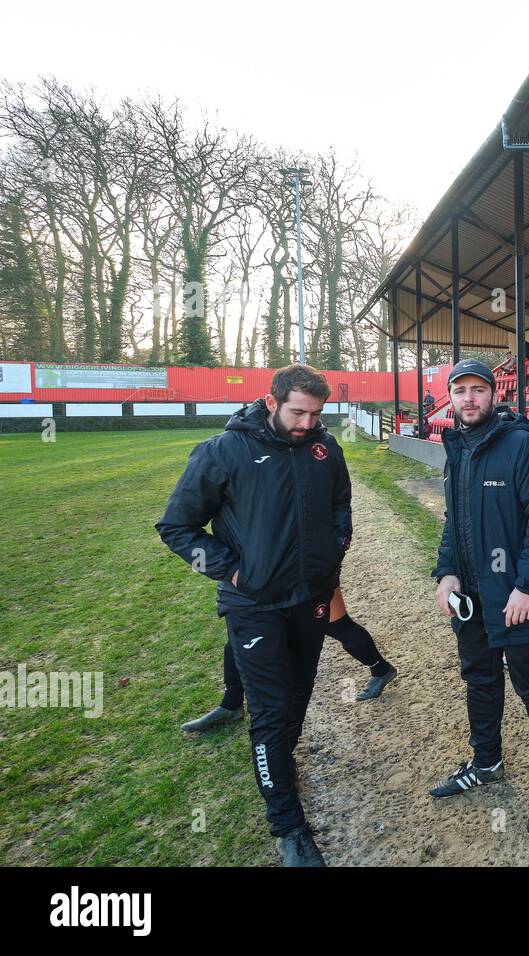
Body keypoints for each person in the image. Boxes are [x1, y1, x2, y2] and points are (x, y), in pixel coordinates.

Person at [156, 363, 351, 866]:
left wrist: (334, 551)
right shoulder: (224, 452)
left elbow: (340, 507)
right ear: (271, 402)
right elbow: (176, 527)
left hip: (310, 599)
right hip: (253, 605)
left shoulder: (325, 450)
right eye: (297, 412)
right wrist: (231, 571)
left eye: (315, 413)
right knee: (269, 710)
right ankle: (288, 827)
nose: (307, 423)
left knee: (298, 698)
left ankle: (279, 767)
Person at [429, 359, 529, 837]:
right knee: (480, 680)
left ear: (494, 395)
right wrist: (446, 572)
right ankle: (486, 761)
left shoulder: (522, 448)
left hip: (518, 599)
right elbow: (455, 520)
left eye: (478, 389)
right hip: (471, 598)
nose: (469, 398)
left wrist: (527, 586)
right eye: (460, 390)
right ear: (450, 397)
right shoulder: (457, 450)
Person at [182, 587, 396, 733]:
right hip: (265, 575)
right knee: (240, 640)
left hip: (308, 569)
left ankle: (380, 669)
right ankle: (231, 705)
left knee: (337, 624)